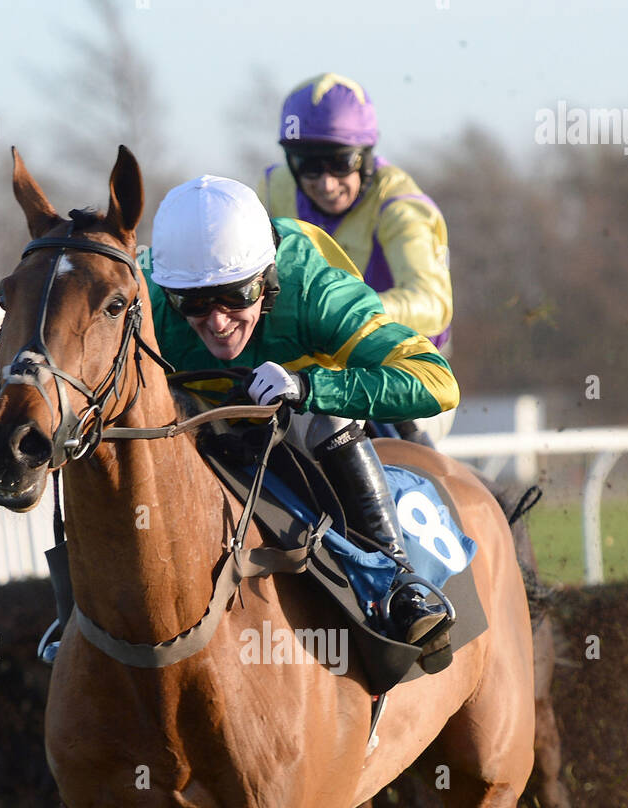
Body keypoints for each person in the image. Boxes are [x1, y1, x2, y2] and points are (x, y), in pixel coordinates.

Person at [141, 172, 459, 656]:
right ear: (168, 292)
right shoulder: (149, 298)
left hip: (306, 416)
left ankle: (398, 581)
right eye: (195, 303)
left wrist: (311, 387)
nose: (219, 321)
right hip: (200, 416)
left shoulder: (314, 289)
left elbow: (438, 382)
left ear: (267, 280)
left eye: (235, 295)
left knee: (326, 419)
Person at [260, 72, 455, 444]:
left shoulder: (401, 209)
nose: (326, 183)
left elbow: (434, 304)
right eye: (308, 165)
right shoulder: (273, 188)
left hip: (398, 365)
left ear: (366, 157)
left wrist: (340, 315)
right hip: (306, 362)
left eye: (340, 163)